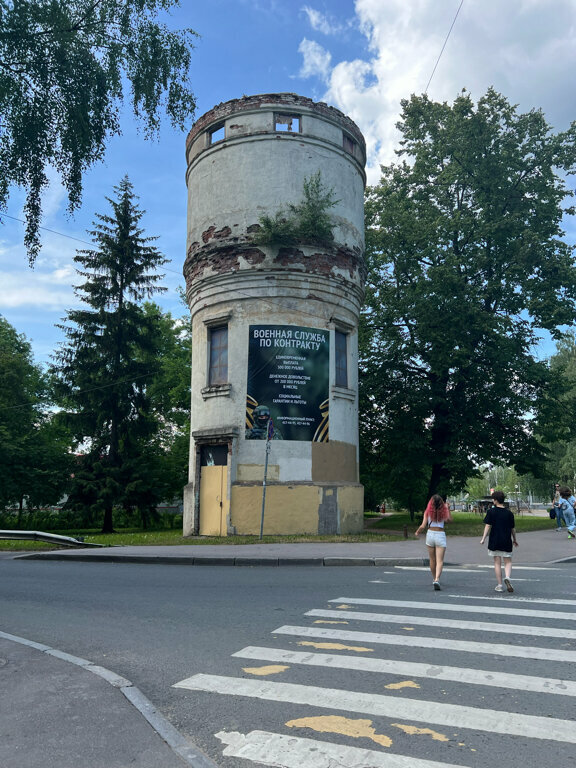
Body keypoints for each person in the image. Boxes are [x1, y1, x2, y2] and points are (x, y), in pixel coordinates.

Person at [480, 490, 518, 592]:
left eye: (493, 499)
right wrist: (514, 539)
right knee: (508, 561)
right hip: (506, 540)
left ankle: (500, 585)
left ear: (496, 500)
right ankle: (508, 577)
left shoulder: (491, 512)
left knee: (497, 563)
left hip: (494, 541)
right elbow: (512, 528)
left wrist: (483, 538)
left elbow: (488, 526)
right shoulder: (509, 513)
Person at [415, 494, 453, 590]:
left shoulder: (427, 512)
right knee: (440, 560)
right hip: (440, 535)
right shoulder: (444, 511)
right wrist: (448, 509)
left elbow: (423, 526)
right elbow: (449, 520)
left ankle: (434, 578)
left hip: (430, 534)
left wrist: (417, 532)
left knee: (432, 560)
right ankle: (437, 579)